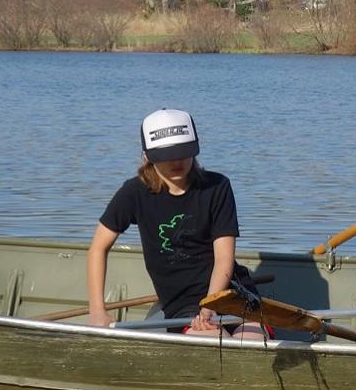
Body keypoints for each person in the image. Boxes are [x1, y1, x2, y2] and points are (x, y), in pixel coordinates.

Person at [87, 109, 242, 334]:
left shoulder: (217, 186)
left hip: (230, 291)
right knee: (217, 341)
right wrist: (97, 310)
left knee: (254, 340)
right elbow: (98, 249)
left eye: (183, 152)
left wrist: (211, 304)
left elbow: (224, 258)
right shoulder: (134, 192)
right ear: (148, 155)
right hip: (183, 303)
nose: (177, 161)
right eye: (168, 155)